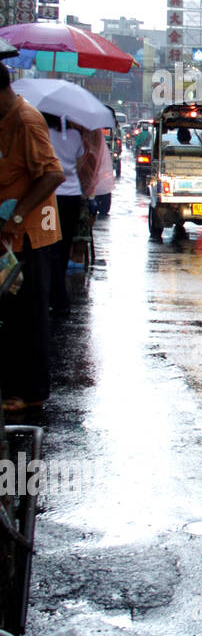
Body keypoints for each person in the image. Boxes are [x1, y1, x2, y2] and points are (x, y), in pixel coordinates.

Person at [0, 64, 66, 414]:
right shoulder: (8, 119)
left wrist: (16, 217)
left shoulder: (26, 121)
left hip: (29, 235)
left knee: (28, 317)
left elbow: (52, 174)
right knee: (11, 315)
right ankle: (14, 386)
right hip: (11, 236)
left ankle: (31, 392)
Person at [43, 113, 90, 317]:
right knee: (64, 245)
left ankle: (51, 294)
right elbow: (79, 166)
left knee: (48, 243)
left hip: (49, 196)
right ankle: (60, 293)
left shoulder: (43, 133)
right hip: (71, 194)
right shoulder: (75, 136)